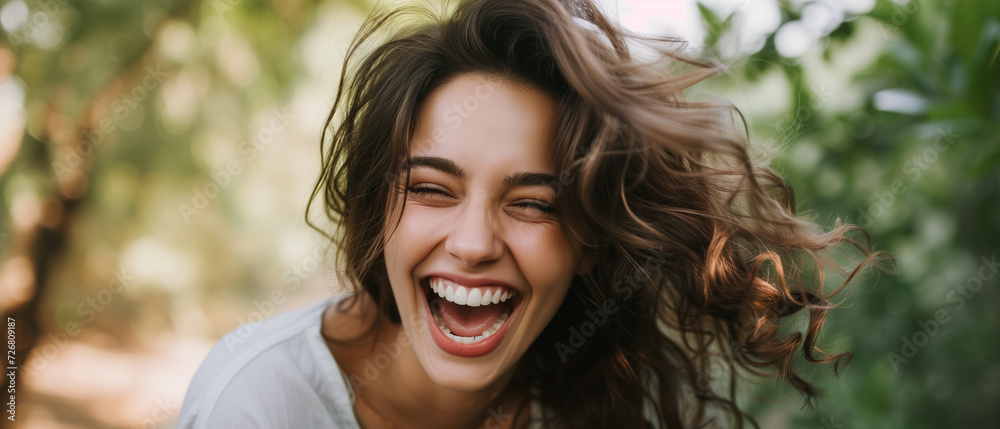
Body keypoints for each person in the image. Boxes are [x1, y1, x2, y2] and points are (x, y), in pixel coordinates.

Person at [178, 0, 889, 427]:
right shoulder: (259, 401)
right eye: (432, 188)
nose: (474, 241)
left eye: (533, 203)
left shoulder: (576, 398)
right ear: (377, 207)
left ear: (588, 239)